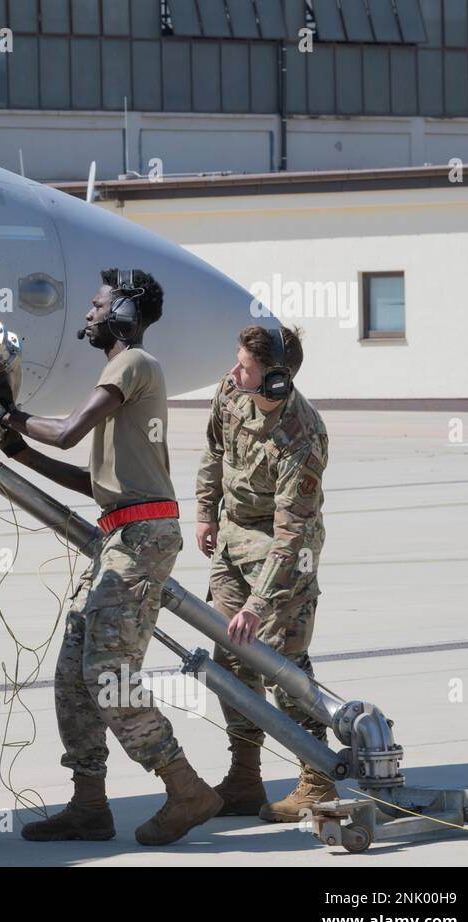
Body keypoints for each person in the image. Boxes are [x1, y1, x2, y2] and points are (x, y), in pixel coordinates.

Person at [0, 268, 222, 847]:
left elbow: (64, 433)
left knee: (107, 672)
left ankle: (185, 787)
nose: (88, 314)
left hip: (140, 540)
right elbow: (97, 481)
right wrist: (18, 452)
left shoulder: (134, 364)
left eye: (97, 304)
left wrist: (7, 416)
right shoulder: (122, 372)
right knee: (72, 676)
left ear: (127, 311)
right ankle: (89, 803)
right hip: (120, 535)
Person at [195, 324, 335, 822]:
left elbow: (292, 531)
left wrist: (259, 604)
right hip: (233, 543)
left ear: (275, 382)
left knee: (283, 664)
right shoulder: (231, 390)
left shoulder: (303, 437)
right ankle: (244, 777)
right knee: (231, 661)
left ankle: (318, 778)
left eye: (246, 368)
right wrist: (206, 510)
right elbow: (214, 449)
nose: (234, 373)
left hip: (283, 556)